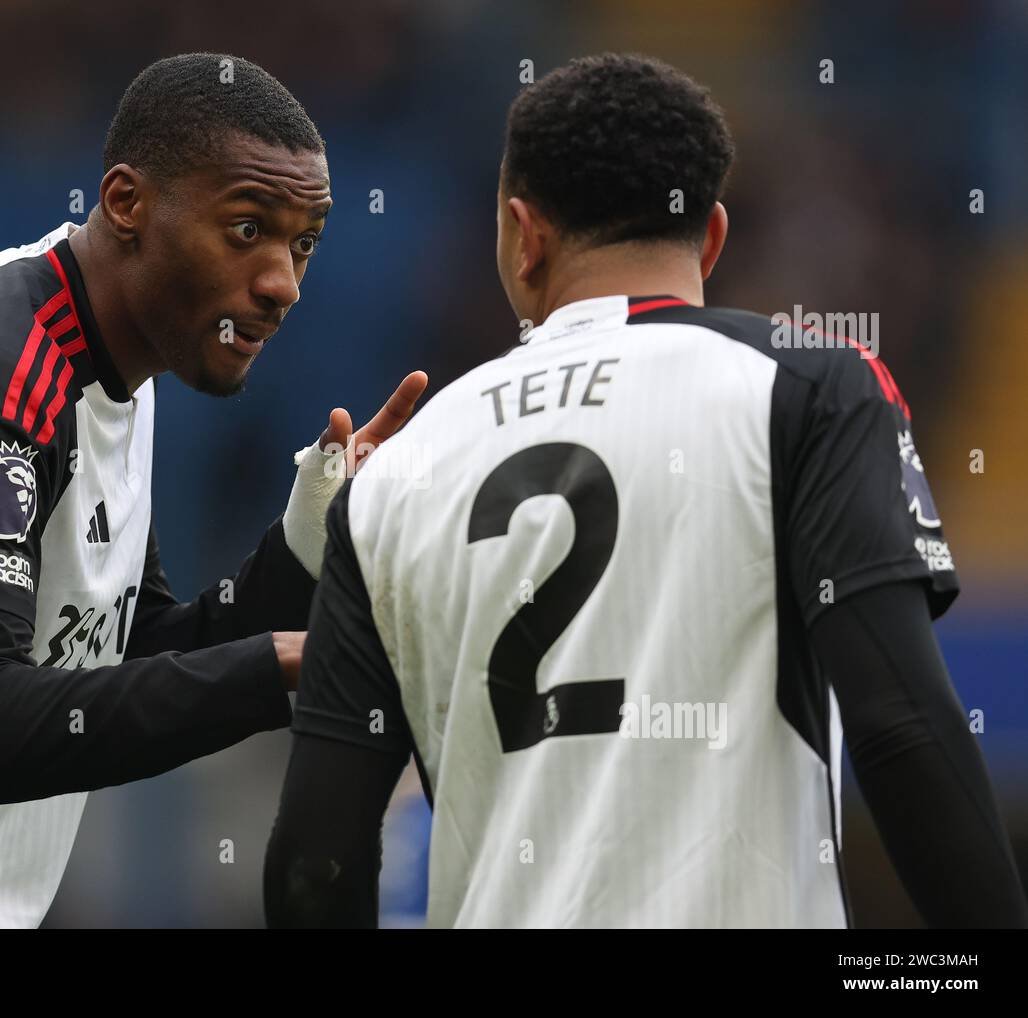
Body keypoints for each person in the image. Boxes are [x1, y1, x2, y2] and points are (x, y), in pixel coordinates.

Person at [264, 53, 1027, 929]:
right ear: (712, 238)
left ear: (523, 235)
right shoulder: (814, 389)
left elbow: (314, 861)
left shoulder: (396, 472)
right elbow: (904, 729)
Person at [0, 52, 426, 928]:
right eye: (248, 228)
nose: (283, 282)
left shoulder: (119, 365)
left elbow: (118, 662)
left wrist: (307, 550)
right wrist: (278, 668)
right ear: (128, 204)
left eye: (305, 242)